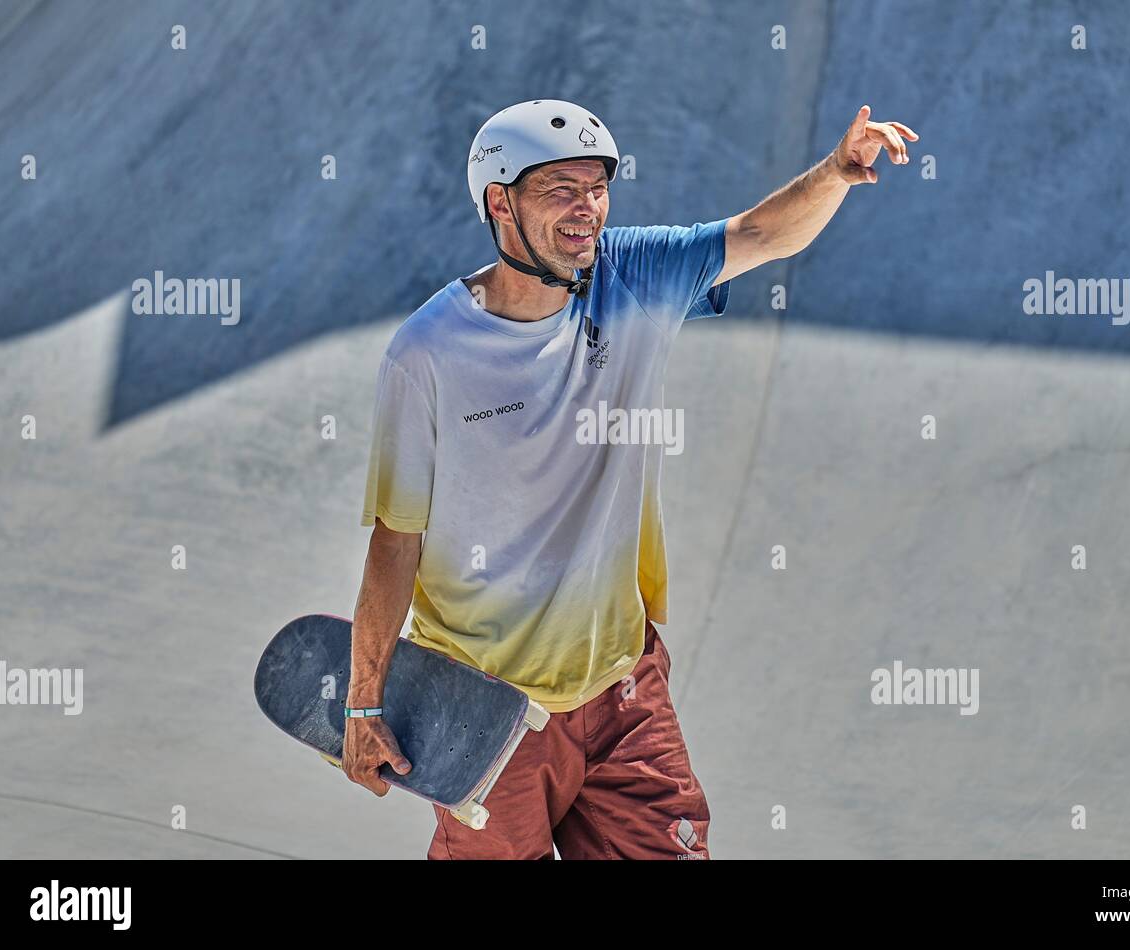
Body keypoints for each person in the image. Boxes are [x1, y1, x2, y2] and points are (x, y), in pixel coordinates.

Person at [342, 99, 917, 859]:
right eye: (561, 191)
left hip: (622, 691)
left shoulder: (631, 277)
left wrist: (838, 173)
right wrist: (364, 701)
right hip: (488, 715)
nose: (588, 212)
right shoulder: (428, 355)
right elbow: (396, 541)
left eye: (598, 188)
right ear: (499, 202)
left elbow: (755, 234)